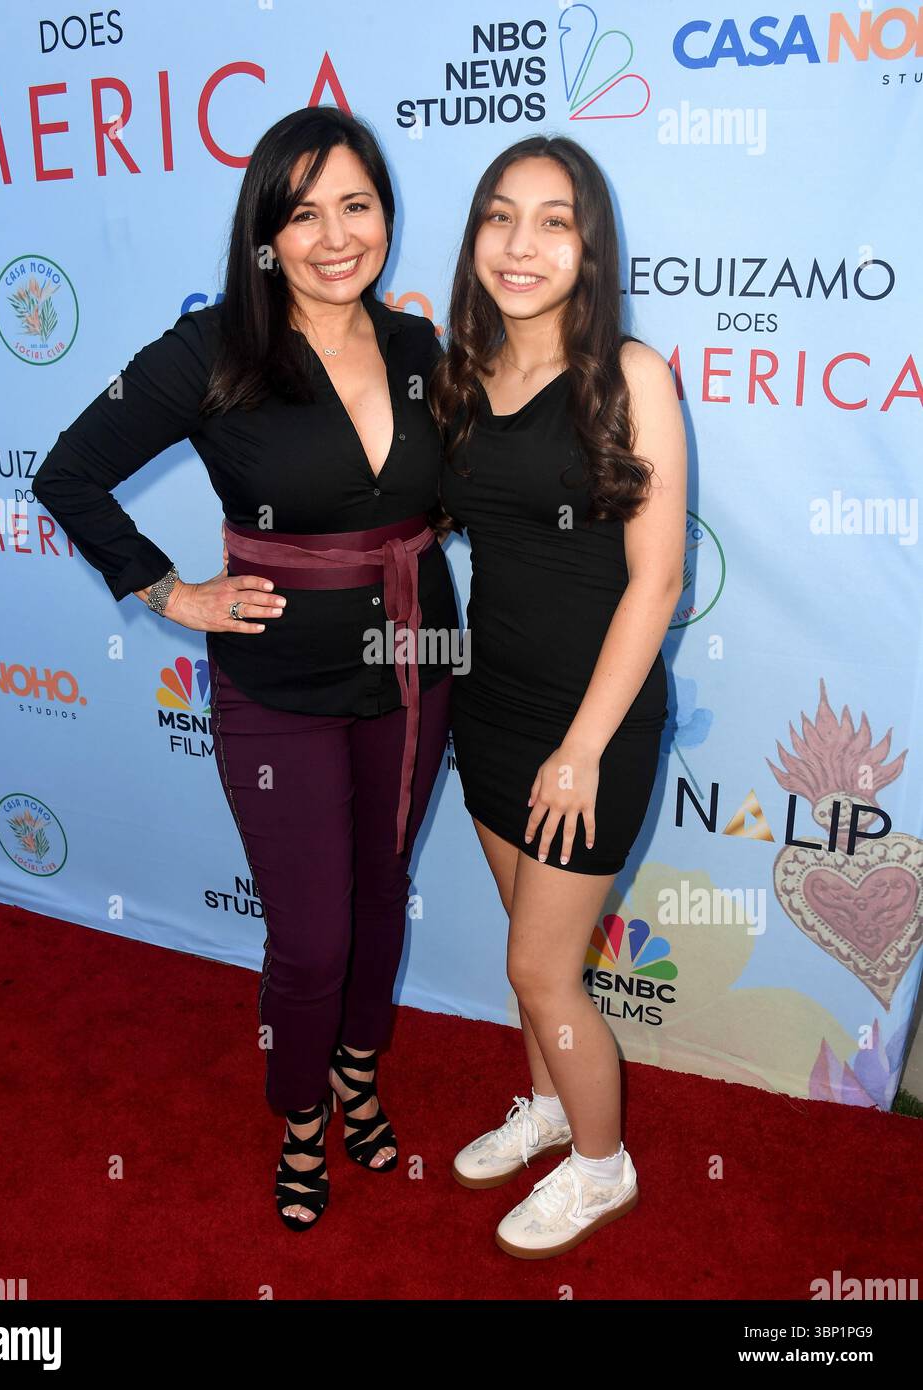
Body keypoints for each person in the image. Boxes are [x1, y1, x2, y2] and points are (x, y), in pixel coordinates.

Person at [31, 107, 459, 1232]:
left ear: (386, 214)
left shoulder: (418, 349)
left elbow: (457, 493)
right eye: (302, 212)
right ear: (263, 232)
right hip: (276, 687)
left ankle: (360, 1079)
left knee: (379, 897)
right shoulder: (211, 350)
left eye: (355, 206)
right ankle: (302, 1117)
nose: (334, 236)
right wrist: (170, 590)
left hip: (418, 663)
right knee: (311, 932)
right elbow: (67, 472)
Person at [428, 136, 686, 1259]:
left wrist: (580, 747)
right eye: (498, 216)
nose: (518, 244)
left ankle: (601, 1164)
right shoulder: (461, 375)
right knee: (529, 949)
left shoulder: (630, 376)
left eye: (551, 221)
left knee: (538, 966)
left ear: (588, 249)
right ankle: (544, 1109)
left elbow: (657, 579)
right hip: (488, 706)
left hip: (594, 724)